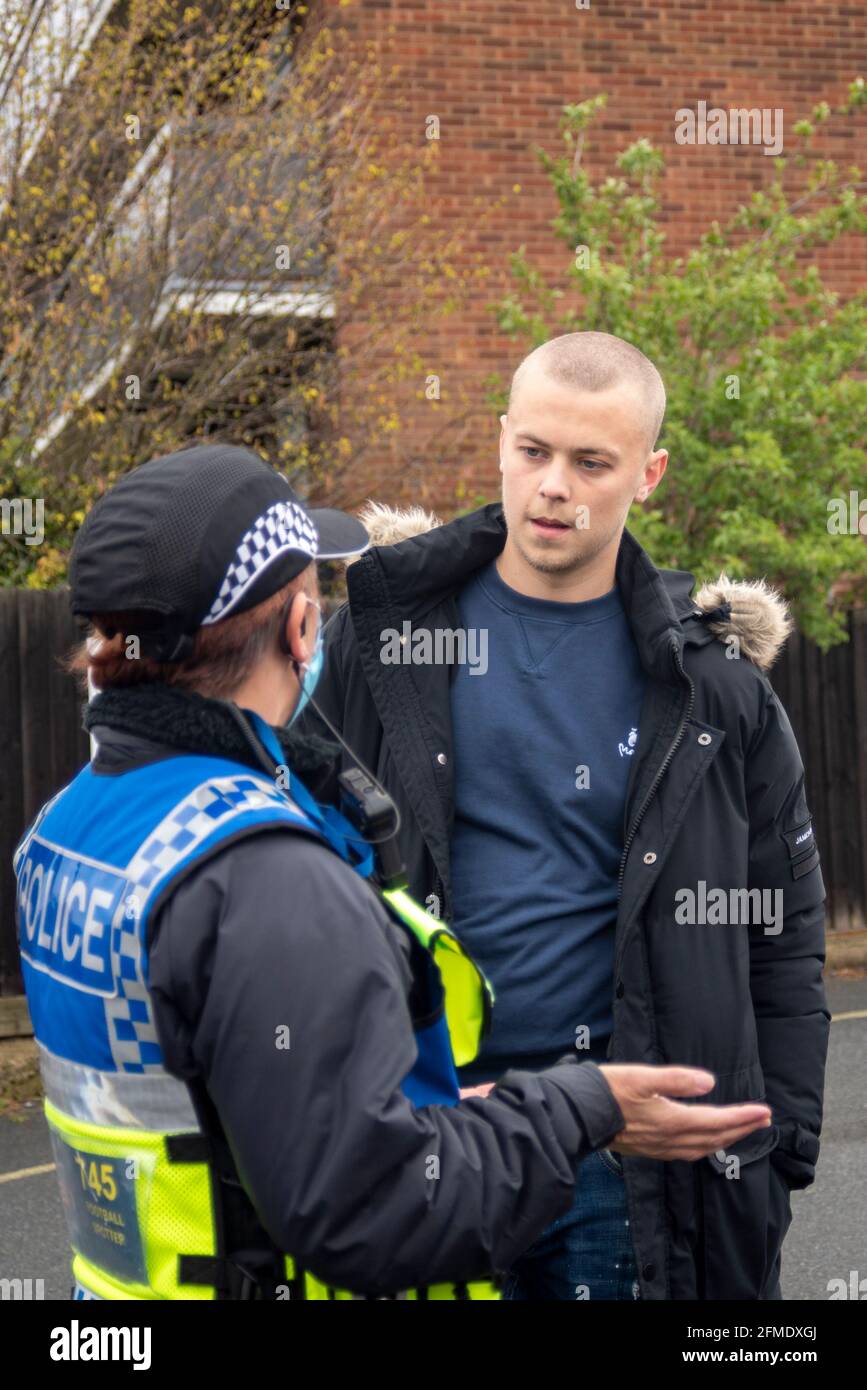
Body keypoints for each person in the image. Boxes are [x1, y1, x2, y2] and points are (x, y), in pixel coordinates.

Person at [13, 442, 773, 1302]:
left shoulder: (70, 825)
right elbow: (374, 1215)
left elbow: (223, 1104)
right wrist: (578, 1107)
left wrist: (435, 1108)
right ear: (301, 631)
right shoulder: (267, 877)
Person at [298, 332, 830, 1301]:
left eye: (591, 462)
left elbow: (785, 937)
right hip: (428, 1125)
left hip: (618, 1149)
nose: (553, 485)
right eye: (534, 450)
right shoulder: (384, 641)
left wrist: (778, 1150)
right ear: (500, 440)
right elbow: (296, 866)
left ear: (650, 472)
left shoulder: (714, 691)